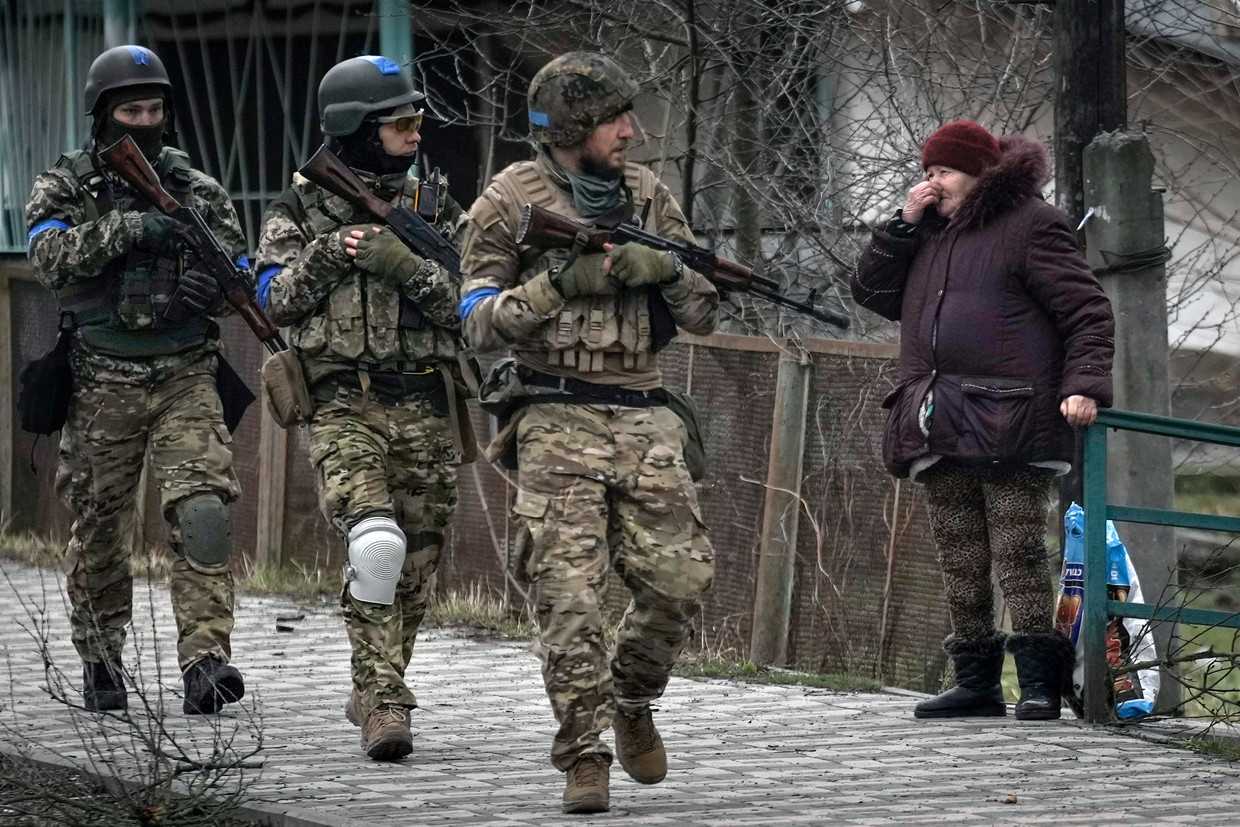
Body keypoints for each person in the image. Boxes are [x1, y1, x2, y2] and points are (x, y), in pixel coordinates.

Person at [458, 52, 718, 813]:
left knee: (682, 579)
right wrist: (559, 282)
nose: (631, 132)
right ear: (572, 126)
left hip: (643, 409)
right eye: (614, 119)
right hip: (553, 411)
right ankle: (584, 751)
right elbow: (476, 322)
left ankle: (633, 698)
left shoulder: (647, 195)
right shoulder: (509, 200)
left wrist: (661, 271)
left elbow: (705, 308)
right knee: (568, 596)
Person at [851, 121, 1115, 721]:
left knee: (1018, 552)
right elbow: (871, 292)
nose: (930, 183)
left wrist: (1083, 386)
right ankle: (977, 684)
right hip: (938, 416)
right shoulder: (928, 232)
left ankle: (1042, 685)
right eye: (925, 173)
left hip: (1013, 416)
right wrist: (900, 228)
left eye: (941, 172)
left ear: (978, 172)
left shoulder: (1032, 223)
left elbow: (1088, 311)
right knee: (961, 556)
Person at [255, 55, 471, 762]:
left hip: (427, 403)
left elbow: (473, 306)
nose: (415, 134)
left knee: (416, 571)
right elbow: (271, 301)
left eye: (417, 121)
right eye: (400, 123)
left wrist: (402, 263)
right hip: (343, 402)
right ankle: (383, 701)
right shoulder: (299, 208)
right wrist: (332, 253)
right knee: (377, 544)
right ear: (354, 130)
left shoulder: (435, 205)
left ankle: (376, 682)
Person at [25, 45, 249, 715]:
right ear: (103, 116)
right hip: (101, 378)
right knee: (99, 526)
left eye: (155, 109)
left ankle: (205, 662)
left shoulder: (197, 189)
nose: (145, 121)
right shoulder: (67, 184)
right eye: (131, 110)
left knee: (205, 510)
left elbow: (236, 264)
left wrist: (208, 284)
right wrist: (129, 228)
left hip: (185, 372)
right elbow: (50, 255)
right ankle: (100, 657)